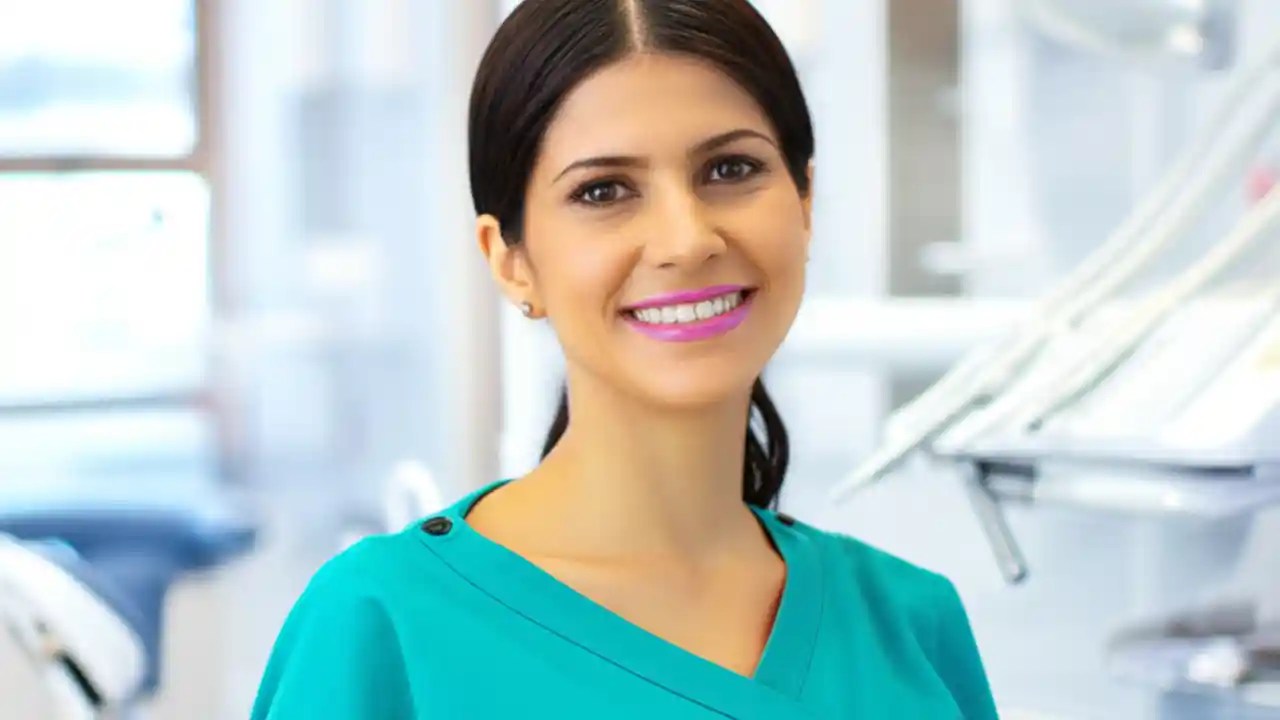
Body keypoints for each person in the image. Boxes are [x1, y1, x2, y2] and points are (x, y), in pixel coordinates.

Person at [251, 1, 1000, 717]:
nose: (686, 240)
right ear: (510, 260)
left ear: (804, 201)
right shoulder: (382, 627)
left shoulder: (913, 628)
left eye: (730, 170)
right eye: (604, 190)